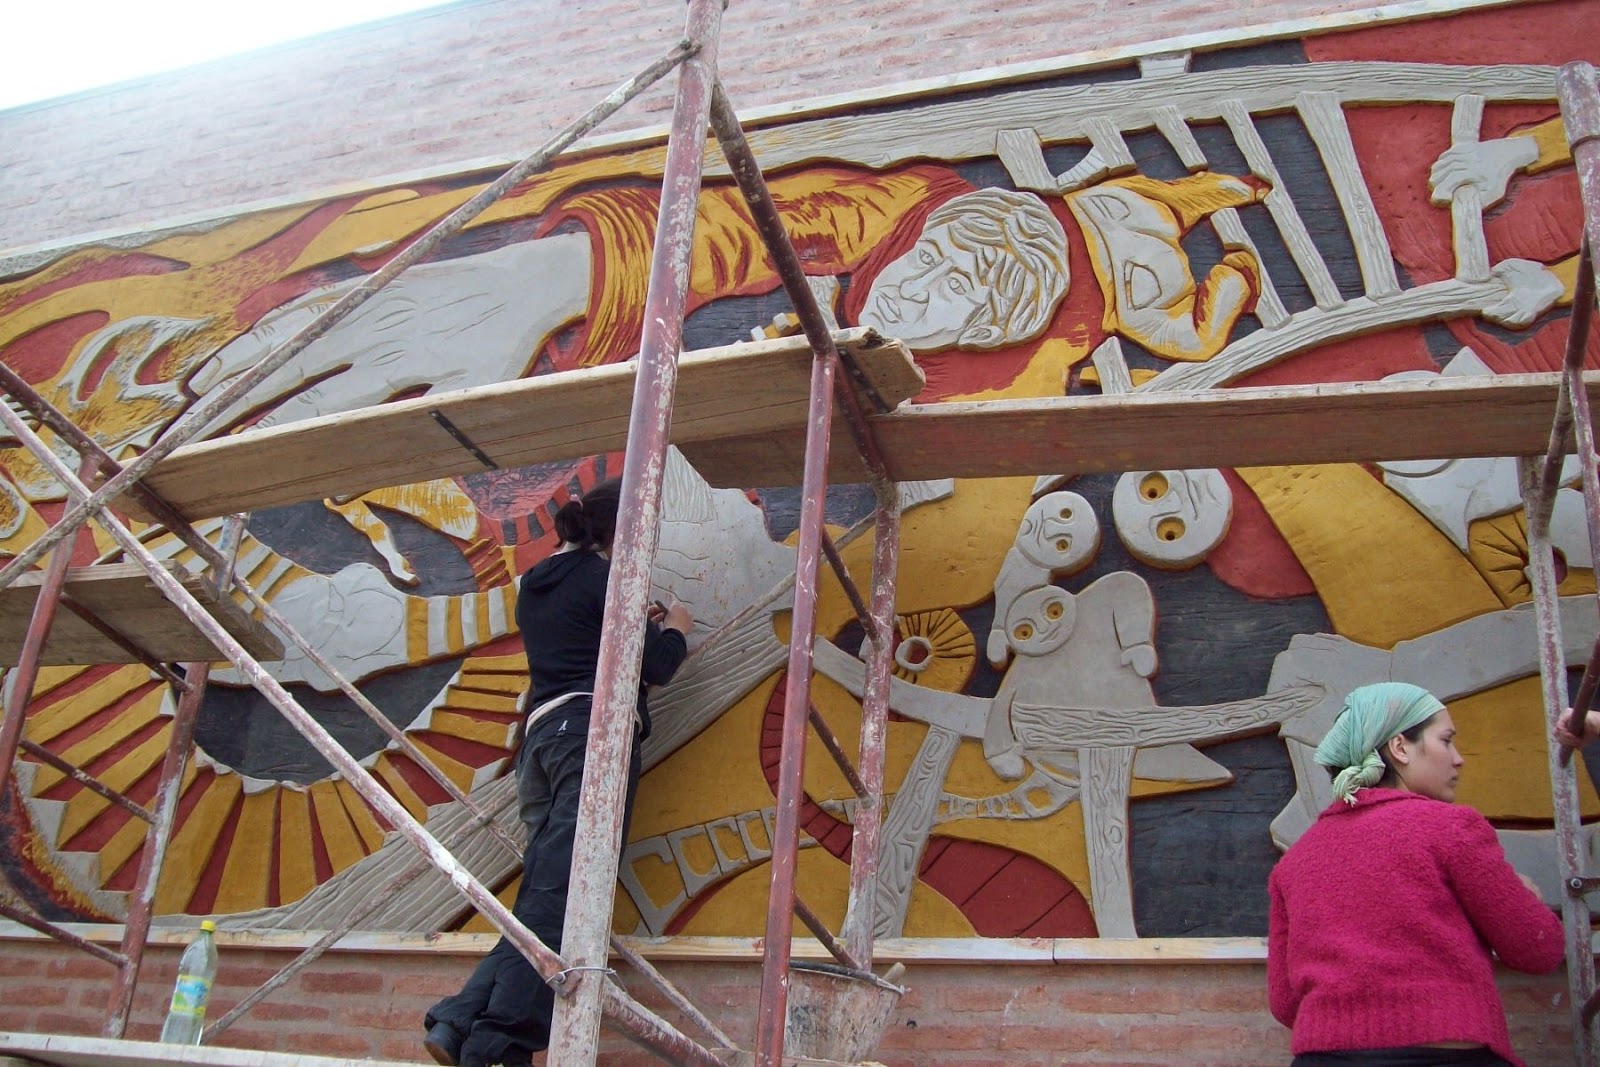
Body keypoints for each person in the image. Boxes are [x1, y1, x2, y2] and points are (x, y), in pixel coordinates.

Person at [422, 478, 693, 1067]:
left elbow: (581, 643)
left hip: (542, 741)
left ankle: (459, 1020)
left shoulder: (535, 584)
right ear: (618, 530)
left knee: (545, 895)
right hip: (589, 740)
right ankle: (500, 1042)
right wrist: (676, 627)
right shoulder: (607, 580)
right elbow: (659, 664)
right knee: (562, 891)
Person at [1267, 682, 1563, 1067]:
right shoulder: (1449, 828)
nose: (1459, 759)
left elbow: (1285, 1002)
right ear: (1400, 747)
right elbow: (1538, 950)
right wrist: (1518, 899)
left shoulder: (1294, 862)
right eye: (1447, 741)